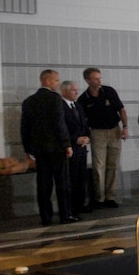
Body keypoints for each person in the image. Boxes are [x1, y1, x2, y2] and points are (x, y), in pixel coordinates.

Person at [20, 69, 75, 225]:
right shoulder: (55, 99)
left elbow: (25, 127)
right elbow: (59, 123)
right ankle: (65, 215)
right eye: (56, 80)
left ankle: (46, 216)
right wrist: (67, 144)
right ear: (47, 81)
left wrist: (28, 149)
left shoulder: (29, 101)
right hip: (57, 148)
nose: (58, 83)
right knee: (62, 182)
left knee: (43, 184)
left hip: (39, 149)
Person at [79, 67, 128, 208]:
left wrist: (125, 127)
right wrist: (86, 135)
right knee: (98, 166)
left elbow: (121, 109)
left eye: (100, 77)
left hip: (114, 130)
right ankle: (99, 197)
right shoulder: (84, 99)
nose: (99, 80)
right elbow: (83, 120)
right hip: (97, 132)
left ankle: (110, 196)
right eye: (96, 78)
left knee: (113, 164)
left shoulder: (109, 91)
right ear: (88, 80)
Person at [60, 80, 92, 215]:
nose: (76, 92)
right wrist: (74, 140)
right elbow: (62, 128)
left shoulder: (78, 106)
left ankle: (80, 204)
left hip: (82, 148)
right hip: (70, 148)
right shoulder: (60, 107)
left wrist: (87, 137)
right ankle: (71, 207)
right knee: (71, 178)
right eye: (73, 90)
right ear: (65, 91)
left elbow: (84, 124)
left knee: (81, 177)